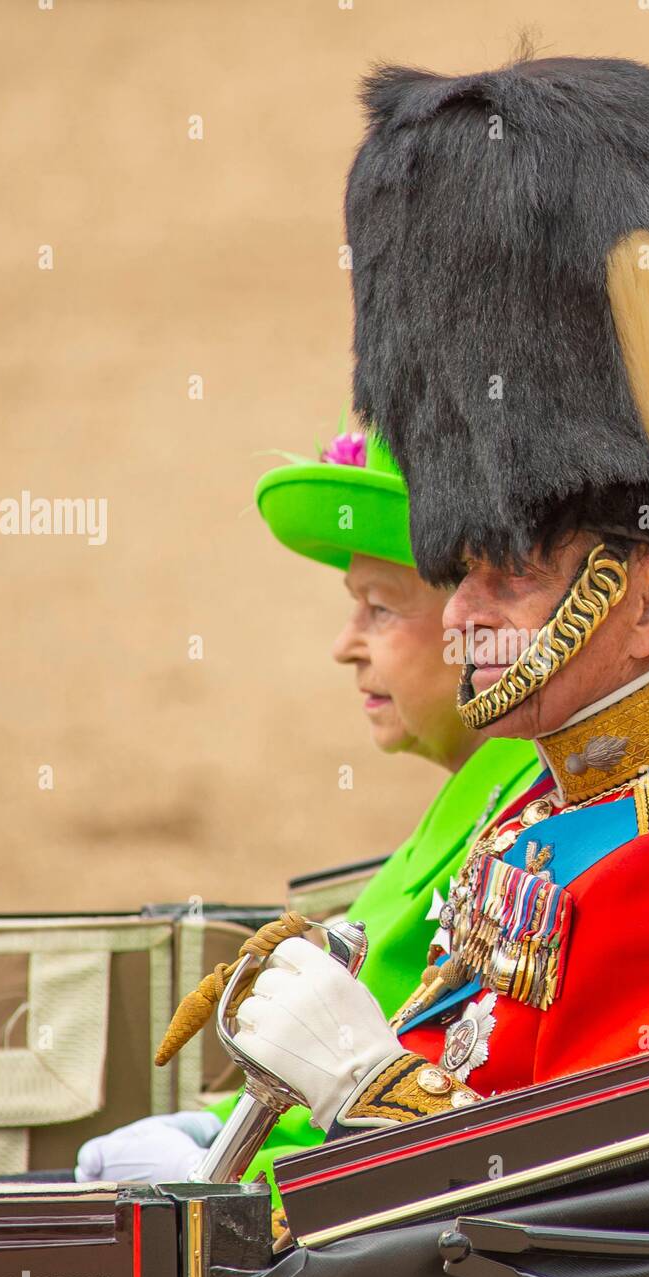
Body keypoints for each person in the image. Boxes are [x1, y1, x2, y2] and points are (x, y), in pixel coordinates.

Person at [229, 55, 649, 1138]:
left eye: (512, 572)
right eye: (461, 571)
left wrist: (364, 1088)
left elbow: (603, 1230)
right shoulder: (564, 795)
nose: (464, 614)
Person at [74, 430, 540, 1186]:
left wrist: (231, 1176)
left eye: (380, 608)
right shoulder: (483, 788)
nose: (345, 644)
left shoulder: (527, 804)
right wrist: (219, 1132)